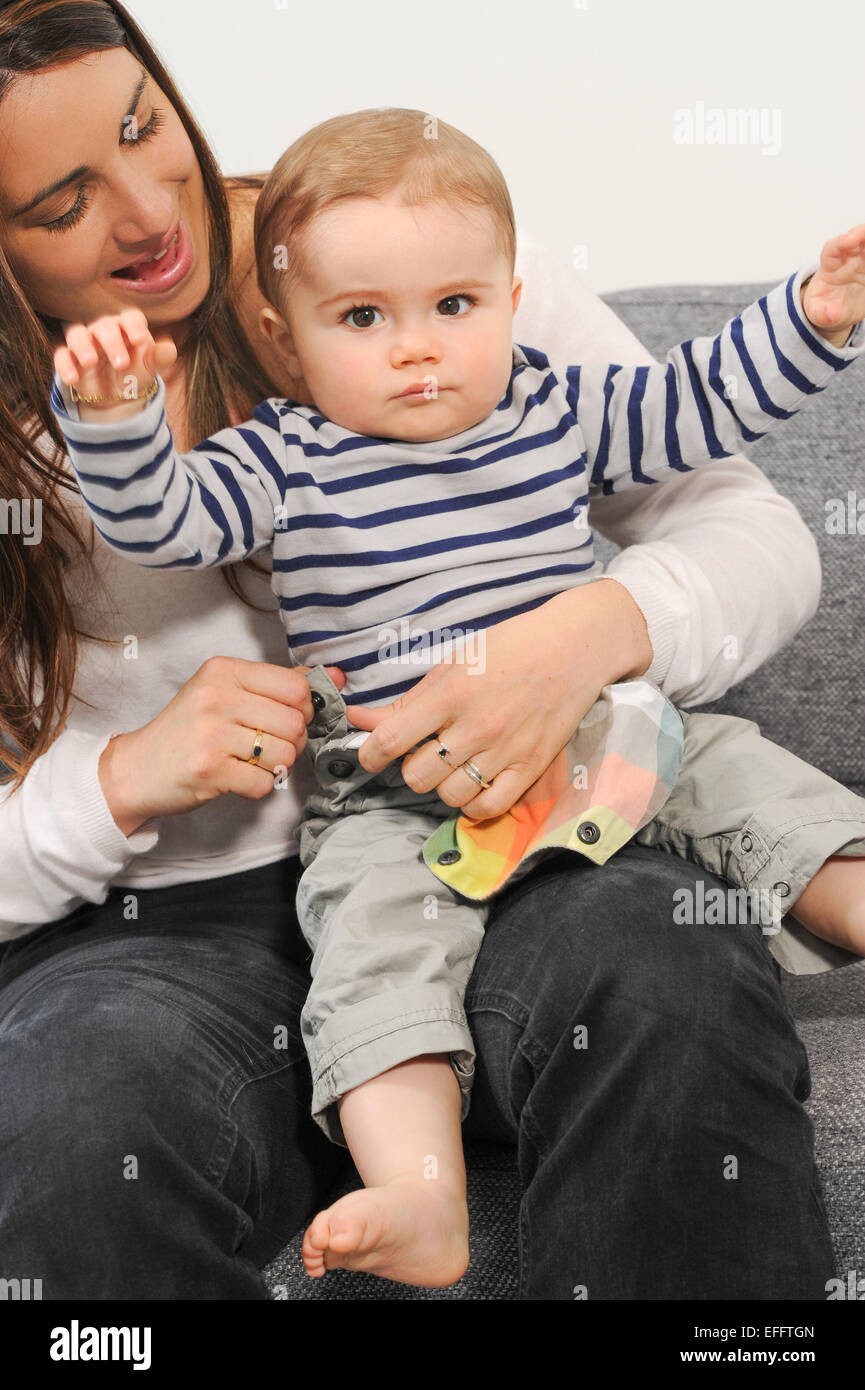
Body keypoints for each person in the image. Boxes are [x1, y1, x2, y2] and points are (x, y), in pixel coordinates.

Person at [0, 1, 841, 1300]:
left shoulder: (412, 246)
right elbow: (160, 514)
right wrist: (108, 782)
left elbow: (718, 474)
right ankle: (417, 1189)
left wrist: (588, 631)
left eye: (141, 126)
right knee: (74, 1114)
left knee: (675, 939)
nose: (149, 211)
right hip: (195, 915)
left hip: (533, 813)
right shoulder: (259, 443)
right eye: (61, 204)